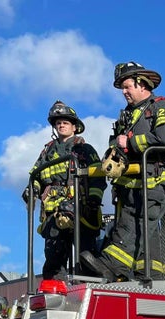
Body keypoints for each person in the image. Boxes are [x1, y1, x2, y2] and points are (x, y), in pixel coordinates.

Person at [81, 61, 165, 281]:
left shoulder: (162, 108)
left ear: (142, 84)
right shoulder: (126, 117)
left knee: (132, 225)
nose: (124, 92)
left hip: (155, 182)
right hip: (131, 186)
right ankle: (147, 272)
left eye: (127, 87)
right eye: (122, 89)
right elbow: (116, 144)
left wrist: (130, 143)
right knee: (145, 232)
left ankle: (113, 264)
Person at [25, 100, 106, 280]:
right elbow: (35, 176)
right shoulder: (47, 152)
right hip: (53, 213)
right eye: (58, 123)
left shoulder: (84, 149)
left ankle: (87, 286)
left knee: (85, 256)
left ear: (74, 127)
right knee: (54, 258)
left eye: (65, 122)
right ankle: (55, 292)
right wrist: (32, 190)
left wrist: (94, 199)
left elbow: (98, 175)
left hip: (81, 209)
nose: (61, 125)